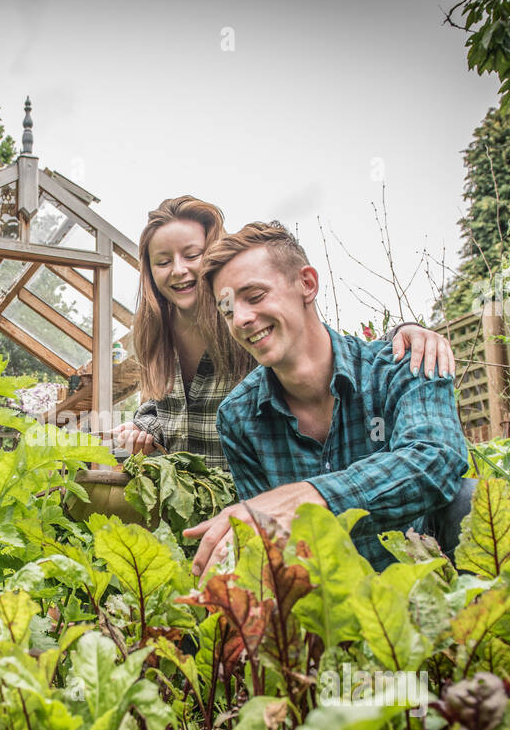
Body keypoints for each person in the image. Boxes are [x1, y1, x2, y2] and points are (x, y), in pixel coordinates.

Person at [184, 221, 473, 575]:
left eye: (255, 296)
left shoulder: (403, 366)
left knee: (468, 500)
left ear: (307, 284)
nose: (241, 319)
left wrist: (311, 496)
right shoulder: (238, 416)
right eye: (227, 310)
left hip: (428, 584)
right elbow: (267, 541)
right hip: (327, 605)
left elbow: (436, 460)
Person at [109, 196, 456, 469]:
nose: (179, 270)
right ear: (150, 271)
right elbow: (159, 408)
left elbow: (318, 349)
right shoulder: (154, 338)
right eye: (163, 261)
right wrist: (145, 427)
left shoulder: (245, 325)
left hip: (253, 495)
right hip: (186, 506)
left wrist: (404, 331)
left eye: (192, 255)